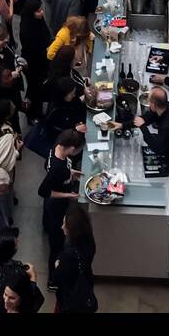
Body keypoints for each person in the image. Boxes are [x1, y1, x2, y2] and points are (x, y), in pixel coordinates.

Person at [38, 128, 83, 288]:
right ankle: (52, 279)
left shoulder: (56, 147)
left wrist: (71, 173)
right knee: (56, 244)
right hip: (57, 207)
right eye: (75, 148)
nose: (76, 151)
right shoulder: (57, 168)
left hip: (57, 199)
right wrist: (69, 196)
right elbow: (43, 191)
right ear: (70, 147)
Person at [54, 203, 98, 312]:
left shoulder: (69, 255)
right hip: (86, 283)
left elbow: (57, 278)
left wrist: (57, 265)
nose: (62, 226)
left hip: (71, 295)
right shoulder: (89, 239)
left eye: (65, 224)